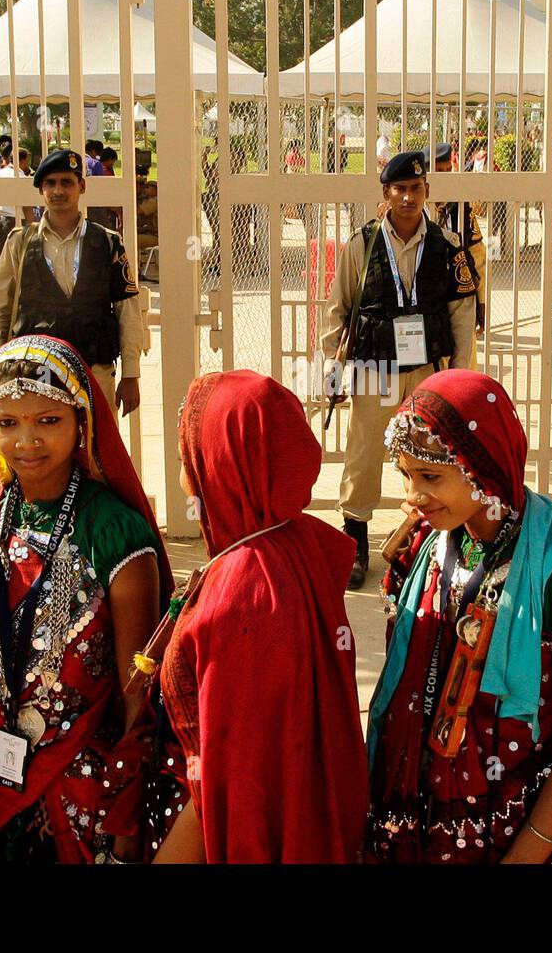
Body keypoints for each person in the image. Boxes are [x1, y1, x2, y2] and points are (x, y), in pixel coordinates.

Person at [0, 336, 170, 863]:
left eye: (47, 421)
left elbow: (137, 692)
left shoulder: (115, 531)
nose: (27, 441)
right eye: (8, 423)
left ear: (82, 424)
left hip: (82, 781)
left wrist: (126, 811)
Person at [366, 370, 552, 863]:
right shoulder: (426, 545)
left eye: (430, 477)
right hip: (419, 821)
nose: (413, 497)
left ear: (482, 467)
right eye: (407, 477)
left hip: (517, 831)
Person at [147, 370, 367, 863]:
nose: (186, 473)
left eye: (191, 455)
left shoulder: (244, 596)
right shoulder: (293, 540)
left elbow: (230, 776)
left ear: (226, 464)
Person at [320, 149, 480, 589]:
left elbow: (462, 316)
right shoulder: (362, 244)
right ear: (386, 194)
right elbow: (339, 310)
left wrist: (459, 376)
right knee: (365, 450)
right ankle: (355, 533)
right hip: (374, 365)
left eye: (415, 189)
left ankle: (428, 533)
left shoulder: (448, 248)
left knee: (430, 453)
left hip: (427, 368)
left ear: (427, 191)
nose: (408, 198)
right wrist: (331, 366)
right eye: (399, 190)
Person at [0, 148, 146, 416]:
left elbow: (127, 311)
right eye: (50, 183)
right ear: (41, 190)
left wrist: (131, 374)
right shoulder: (20, 243)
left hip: (94, 369)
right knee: (42, 451)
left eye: (66, 182)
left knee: (96, 452)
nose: (58, 190)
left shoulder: (107, 242)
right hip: (36, 373)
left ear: (81, 186)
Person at [425, 142, 487, 345]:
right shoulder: (413, 210)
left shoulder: (461, 209)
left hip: (459, 301)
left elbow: (478, 257)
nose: (445, 178)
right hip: (424, 303)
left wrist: (481, 302)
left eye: (448, 171)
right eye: (438, 172)